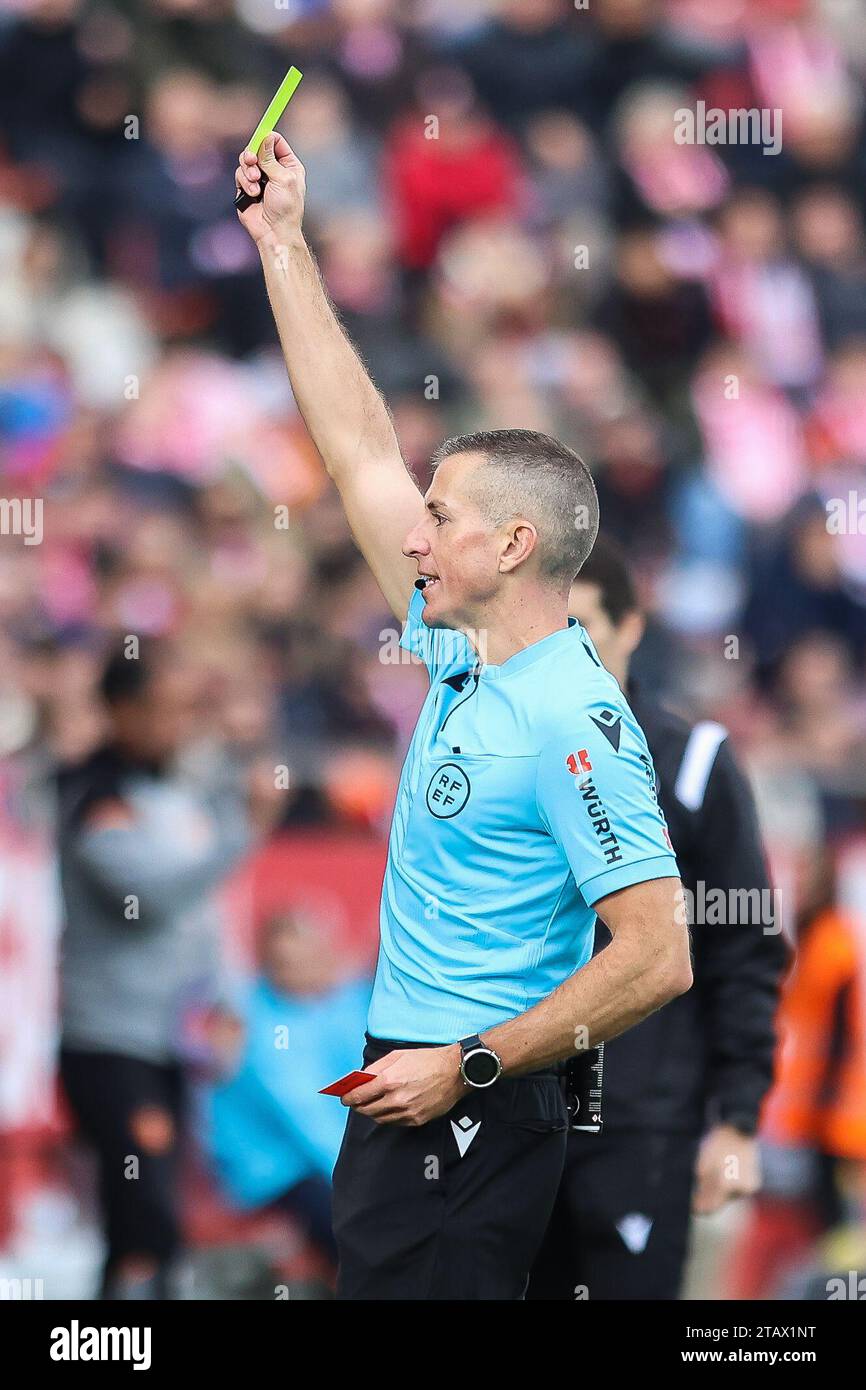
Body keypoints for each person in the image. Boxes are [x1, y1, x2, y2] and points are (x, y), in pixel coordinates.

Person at [236, 135, 691, 1301]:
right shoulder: (459, 646)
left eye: (439, 518)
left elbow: (657, 952)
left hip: (469, 1102)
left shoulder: (569, 715)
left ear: (511, 545)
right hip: (411, 1081)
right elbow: (354, 451)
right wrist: (283, 243)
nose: (412, 536)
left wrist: (471, 1064)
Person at [528, 538, 789, 1299]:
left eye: (585, 633)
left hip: (641, 1118)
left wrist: (737, 1120)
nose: (564, 658)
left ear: (632, 626)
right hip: (509, 1104)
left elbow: (743, 947)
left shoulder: (695, 762)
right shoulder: (493, 754)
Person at [56, 640, 271, 1300]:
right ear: (120, 711)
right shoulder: (93, 796)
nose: (176, 727)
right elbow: (149, 901)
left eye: (184, 713)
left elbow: (205, 919)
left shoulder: (182, 789)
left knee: (143, 1229)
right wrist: (248, 828)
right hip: (111, 1045)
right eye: (161, 711)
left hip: (175, 1042)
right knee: (146, 1213)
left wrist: (228, 1003)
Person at [202, 910, 371, 1272]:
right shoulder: (250, 1018)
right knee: (355, 1231)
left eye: (307, 959)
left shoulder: (349, 1000)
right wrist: (362, 1175)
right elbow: (302, 1114)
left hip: (335, 1157)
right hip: (275, 1168)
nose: (296, 972)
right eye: (283, 964)